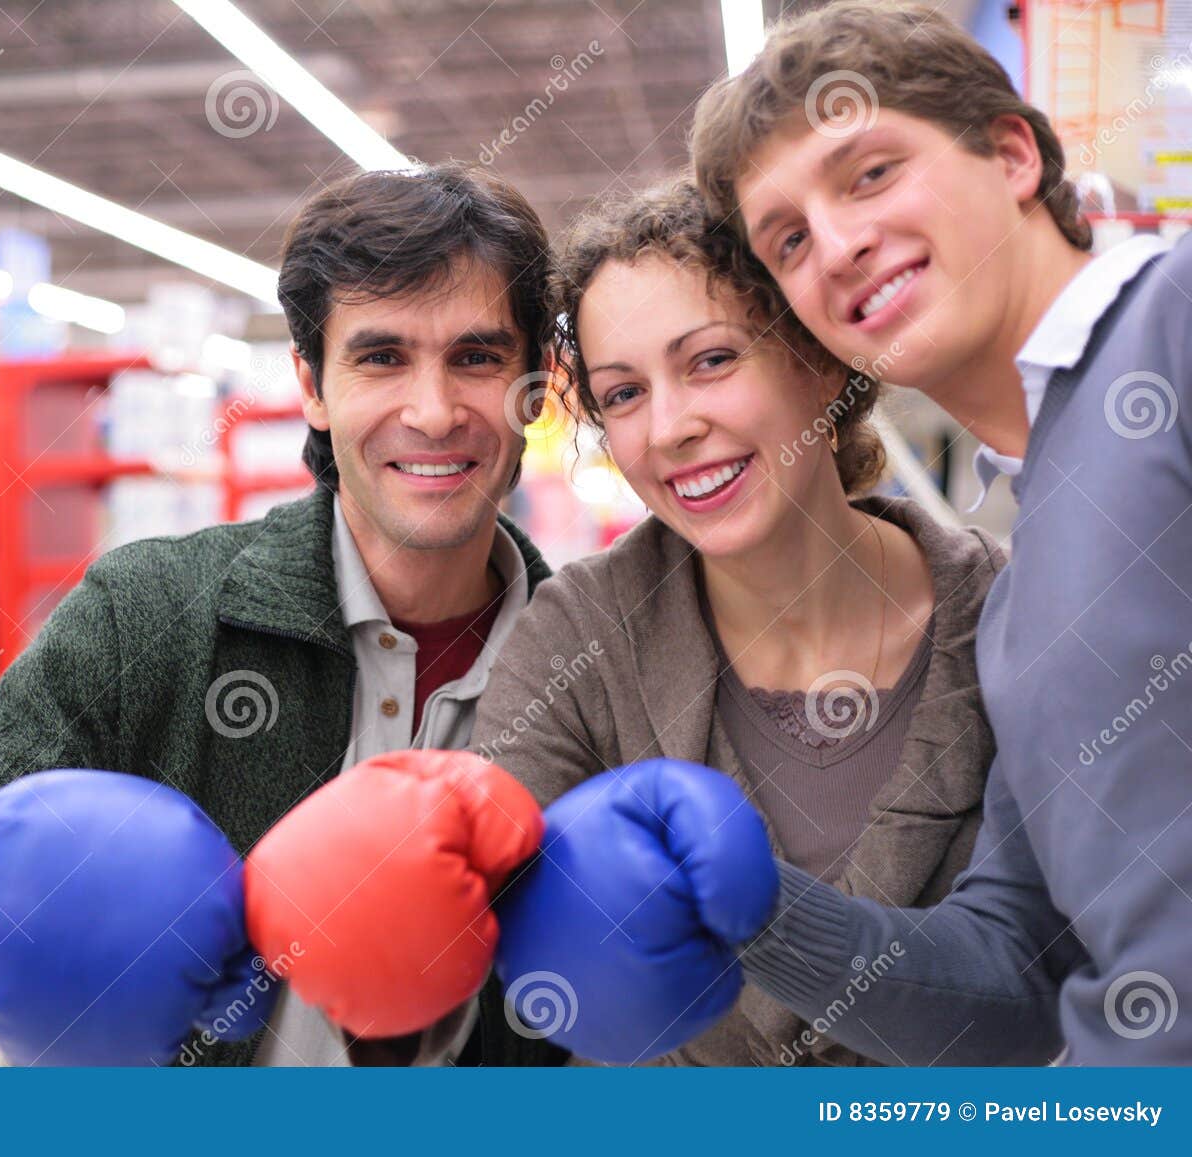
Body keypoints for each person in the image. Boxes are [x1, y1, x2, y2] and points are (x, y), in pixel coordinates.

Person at [494, 1, 1192, 1066]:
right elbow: (1009, 976)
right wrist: (761, 910)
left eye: (868, 173)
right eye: (787, 237)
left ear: (1012, 152)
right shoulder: (1024, 595)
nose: (839, 243)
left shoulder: (1172, 326)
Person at [0, 162, 567, 1068]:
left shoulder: (594, 666)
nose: (433, 409)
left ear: (537, 383)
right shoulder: (150, 615)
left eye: (478, 357)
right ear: (312, 384)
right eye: (381, 357)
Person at [471, 176, 1004, 1066]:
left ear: (822, 359)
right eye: (625, 394)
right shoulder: (578, 639)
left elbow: (1060, 971)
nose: (672, 426)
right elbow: (515, 948)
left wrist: (761, 912)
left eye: (712, 360)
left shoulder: (1009, 623)